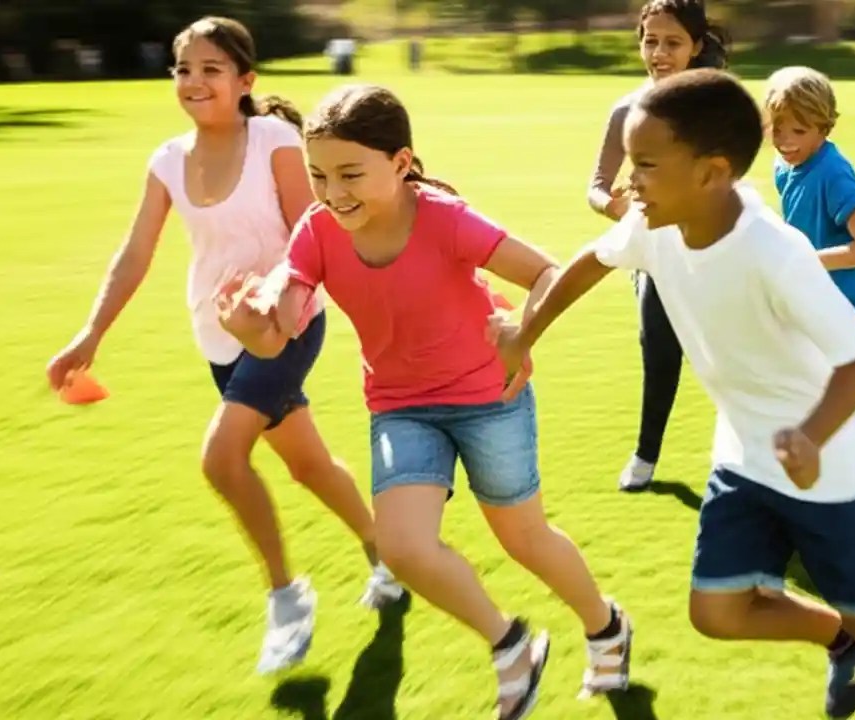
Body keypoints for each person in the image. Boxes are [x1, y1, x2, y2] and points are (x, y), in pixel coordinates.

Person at [490, 68, 855, 720]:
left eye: (645, 163)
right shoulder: (656, 223)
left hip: (829, 463)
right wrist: (524, 333)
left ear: (711, 172)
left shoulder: (774, 253)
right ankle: (841, 640)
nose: (629, 180)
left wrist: (810, 437)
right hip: (744, 450)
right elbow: (591, 260)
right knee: (718, 611)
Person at [213, 83, 632, 720]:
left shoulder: (444, 218)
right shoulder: (318, 231)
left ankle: (605, 627)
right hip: (400, 405)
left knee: (524, 538)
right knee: (404, 548)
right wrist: (249, 329)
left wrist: (521, 336)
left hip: (489, 395)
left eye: (351, 173)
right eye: (319, 175)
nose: (333, 192)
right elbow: (277, 335)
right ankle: (510, 643)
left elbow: (546, 272)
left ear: (402, 163)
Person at [44, 16, 403, 676]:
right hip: (218, 335)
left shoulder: (272, 138)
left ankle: (286, 596)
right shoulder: (167, 161)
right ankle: (386, 555)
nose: (194, 81)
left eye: (211, 69)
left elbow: (308, 229)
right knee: (308, 464)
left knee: (220, 458)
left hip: (286, 321)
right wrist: (90, 332)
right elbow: (135, 253)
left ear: (245, 81)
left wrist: (269, 296)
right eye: (183, 69)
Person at [586, 0, 729, 491]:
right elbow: (597, 186)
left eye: (673, 43)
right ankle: (646, 457)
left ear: (695, 48)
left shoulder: (714, 107)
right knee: (660, 353)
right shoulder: (627, 110)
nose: (660, 53)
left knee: (730, 356)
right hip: (655, 254)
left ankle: (745, 459)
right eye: (651, 41)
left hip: (714, 248)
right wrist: (620, 210)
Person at [764, 65, 855, 532]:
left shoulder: (833, 173)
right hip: (818, 313)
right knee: (804, 404)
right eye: (777, 128)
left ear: (825, 127)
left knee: (839, 409)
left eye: (799, 131)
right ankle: (823, 494)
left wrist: (806, 261)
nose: (786, 140)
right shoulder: (787, 166)